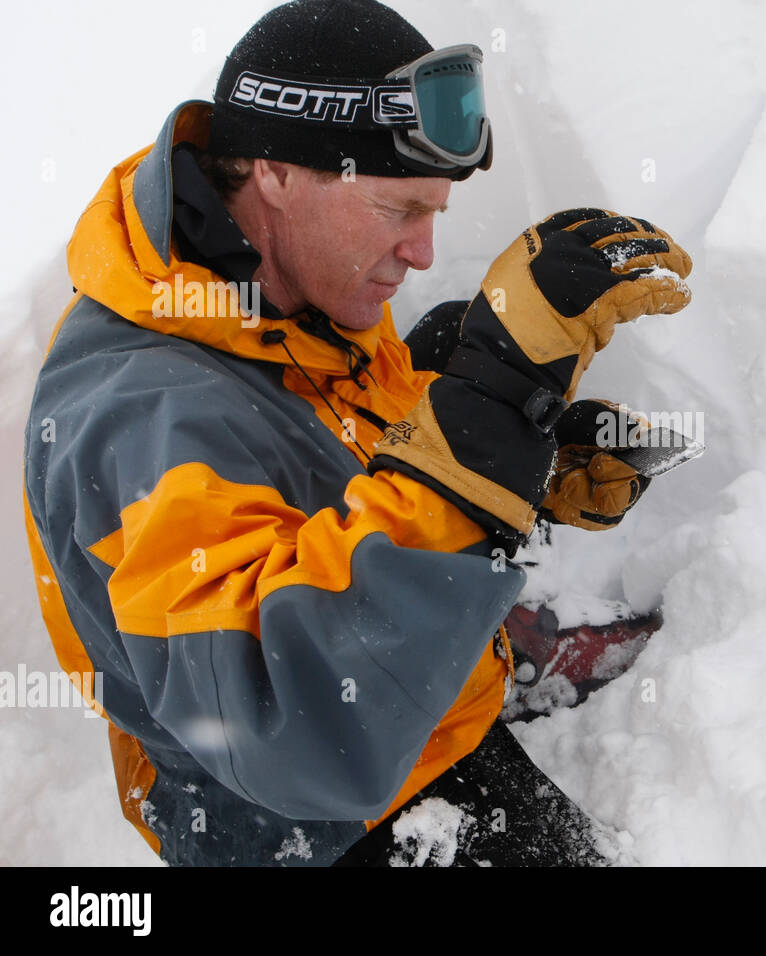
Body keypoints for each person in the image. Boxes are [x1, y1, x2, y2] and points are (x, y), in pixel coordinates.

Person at [21, 0, 692, 867]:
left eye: (436, 213)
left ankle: (482, 663)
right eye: (397, 208)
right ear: (275, 171)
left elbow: (312, 442)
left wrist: (521, 449)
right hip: (317, 817)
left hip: (392, 711)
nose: (421, 250)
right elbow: (287, 724)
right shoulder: (144, 417)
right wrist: (484, 423)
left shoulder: (264, 286)